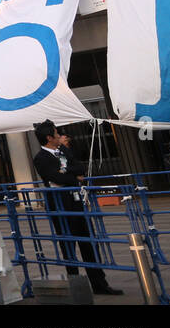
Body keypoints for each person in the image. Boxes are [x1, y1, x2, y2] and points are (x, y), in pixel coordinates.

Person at [33, 121, 123, 296]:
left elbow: (79, 167)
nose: (60, 136)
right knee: (68, 247)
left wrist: (67, 173)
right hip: (60, 206)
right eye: (56, 134)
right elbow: (54, 177)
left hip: (76, 203)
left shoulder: (64, 151)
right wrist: (74, 178)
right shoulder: (41, 158)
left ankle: (99, 284)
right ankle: (74, 285)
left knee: (89, 243)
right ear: (49, 138)